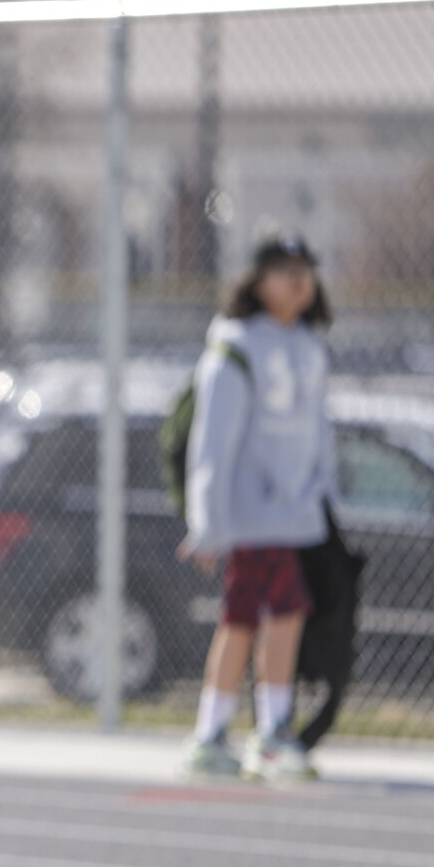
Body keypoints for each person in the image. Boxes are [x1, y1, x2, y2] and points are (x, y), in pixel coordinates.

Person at [177, 234, 336, 782]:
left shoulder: (309, 347)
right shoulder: (237, 344)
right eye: (283, 269)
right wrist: (208, 525)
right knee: (275, 614)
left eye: (306, 269)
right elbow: (211, 442)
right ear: (257, 279)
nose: (298, 280)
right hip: (250, 517)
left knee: (248, 619)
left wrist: (324, 493)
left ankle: (219, 733)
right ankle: (262, 734)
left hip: (290, 515)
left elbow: (319, 431)